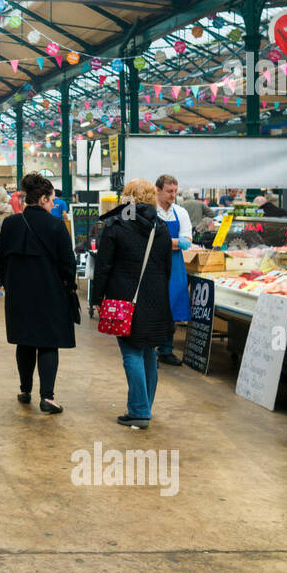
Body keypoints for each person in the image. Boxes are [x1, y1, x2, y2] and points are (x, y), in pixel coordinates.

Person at [92, 179, 173, 429]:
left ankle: (139, 411)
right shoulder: (161, 228)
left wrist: (97, 298)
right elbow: (166, 267)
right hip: (156, 299)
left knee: (131, 351)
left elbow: (103, 266)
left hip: (123, 299)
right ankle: (145, 406)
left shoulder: (116, 225)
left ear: (126, 197)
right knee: (149, 350)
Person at [0, 173, 77, 414]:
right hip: (50, 293)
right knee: (47, 343)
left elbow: (1, 259)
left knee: (24, 340)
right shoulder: (56, 226)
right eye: (52, 199)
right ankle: (48, 397)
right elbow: (68, 262)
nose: (54, 204)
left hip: (19, 294)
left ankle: (25, 389)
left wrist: (6, 284)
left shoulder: (11, 224)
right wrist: (69, 285)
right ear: (43, 199)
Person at [154, 174, 192, 366]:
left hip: (176, 265)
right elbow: (147, 242)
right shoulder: (150, 212)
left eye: (175, 191)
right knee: (154, 307)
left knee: (172, 307)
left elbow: (187, 242)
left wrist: (164, 242)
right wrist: (175, 242)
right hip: (154, 265)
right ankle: (151, 350)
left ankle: (166, 350)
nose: (173, 195)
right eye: (169, 191)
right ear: (158, 190)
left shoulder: (181, 212)